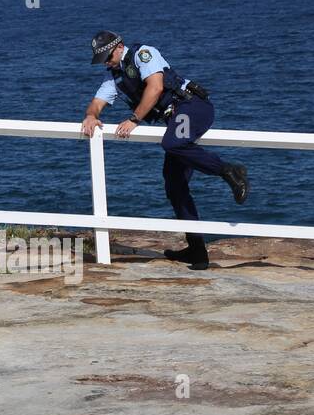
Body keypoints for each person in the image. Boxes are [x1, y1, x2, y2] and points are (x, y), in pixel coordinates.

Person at [79, 31, 249, 270]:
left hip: (191, 107)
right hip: (176, 119)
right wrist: (90, 116)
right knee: (174, 185)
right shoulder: (114, 79)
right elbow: (97, 103)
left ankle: (230, 171)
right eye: (102, 60)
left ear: (119, 47)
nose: (106, 62)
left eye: (107, 56)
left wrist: (134, 119)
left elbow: (156, 87)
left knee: (172, 143)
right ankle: (198, 252)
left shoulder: (143, 54)